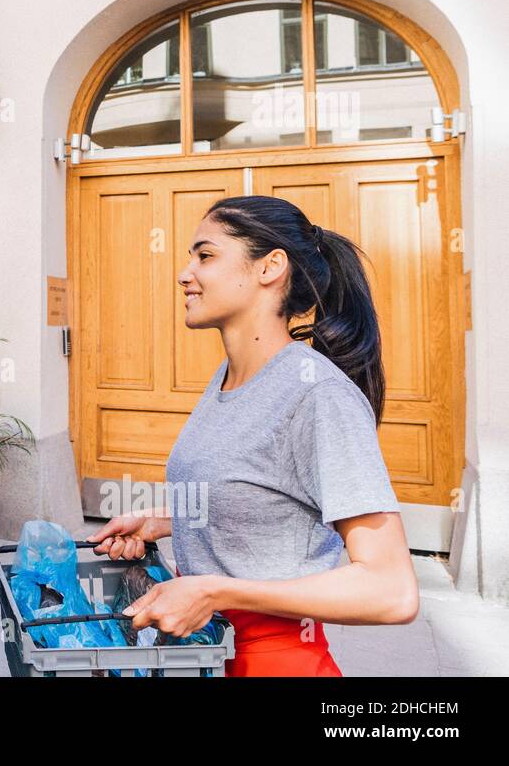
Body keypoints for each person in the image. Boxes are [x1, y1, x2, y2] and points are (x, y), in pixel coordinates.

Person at [87, 196, 420, 676]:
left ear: (270, 268)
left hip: (274, 661)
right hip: (206, 652)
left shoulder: (318, 395)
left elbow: (392, 592)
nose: (185, 274)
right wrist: (167, 520)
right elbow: (265, 501)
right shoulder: (230, 375)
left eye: (205, 256)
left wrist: (216, 589)